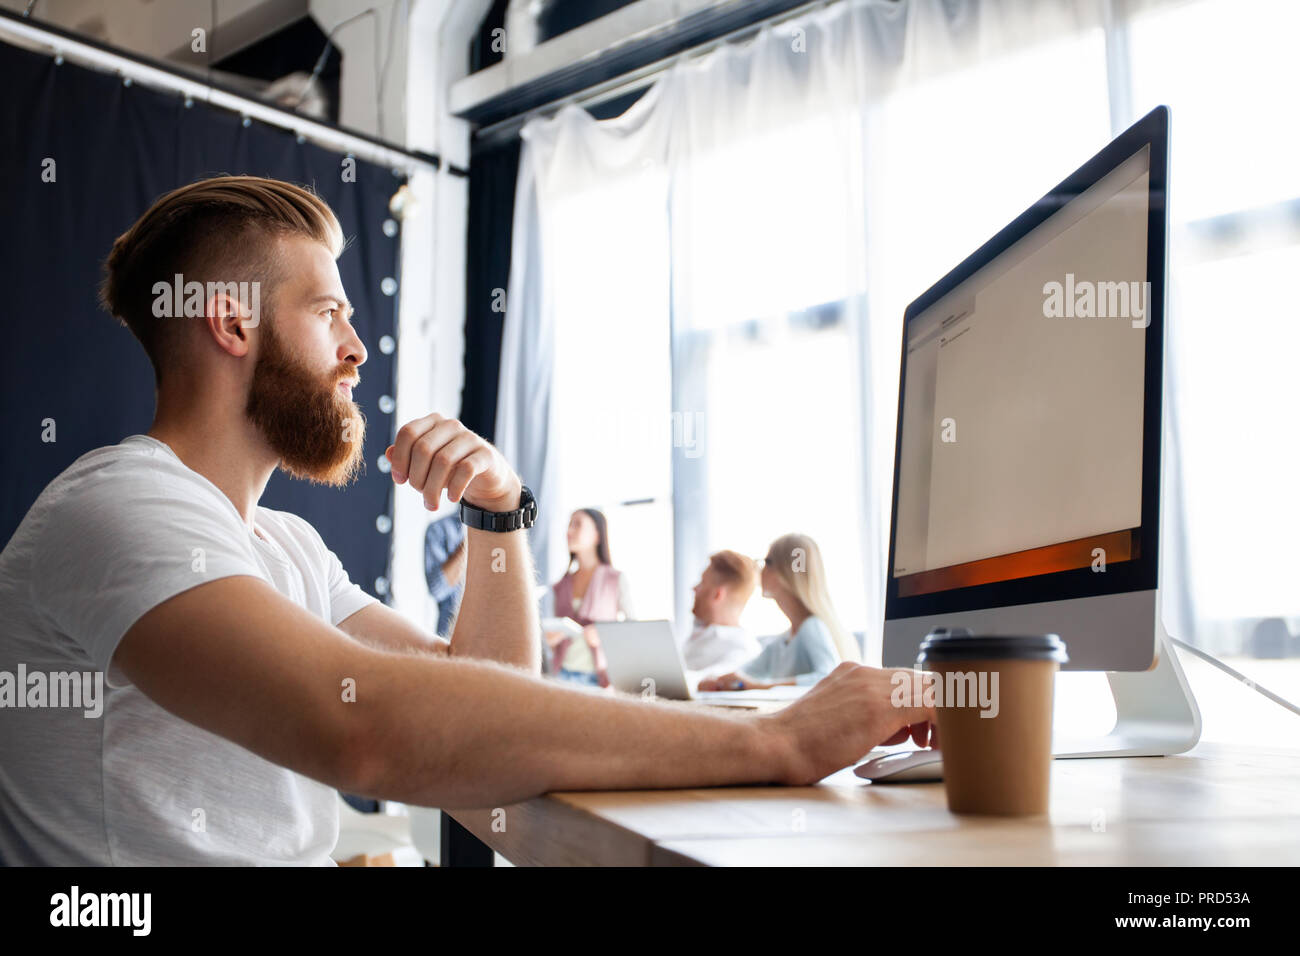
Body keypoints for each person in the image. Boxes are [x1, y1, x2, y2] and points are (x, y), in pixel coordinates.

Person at [0, 175, 934, 865]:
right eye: (328, 314)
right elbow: (361, 731)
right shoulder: (117, 505)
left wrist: (499, 517)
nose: (358, 350)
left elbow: (477, 708)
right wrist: (777, 743)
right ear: (235, 326)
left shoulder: (284, 545)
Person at [700, 533, 860, 692]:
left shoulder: (812, 627)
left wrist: (759, 686)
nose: (760, 571)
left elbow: (828, 677)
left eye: (767, 562)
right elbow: (745, 674)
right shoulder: (782, 642)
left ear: (788, 572)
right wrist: (717, 682)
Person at [544, 508, 632, 687]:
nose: (569, 531)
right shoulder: (561, 584)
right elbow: (551, 636)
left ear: (597, 535)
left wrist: (604, 634)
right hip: (560, 676)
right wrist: (551, 639)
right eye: (569, 524)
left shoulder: (615, 579)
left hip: (599, 679)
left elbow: (632, 628)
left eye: (577, 524)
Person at [682, 550, 763, 683]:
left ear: (717, 594)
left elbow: (712, 681)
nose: (694, 588)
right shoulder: (697, 635)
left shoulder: (744, 648)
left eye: (702, 583)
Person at [424, 512, 467, 637]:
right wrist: (473, 537)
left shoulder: (511, 534)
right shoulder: (439, 529)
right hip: (451, 638)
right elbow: (437, 590)